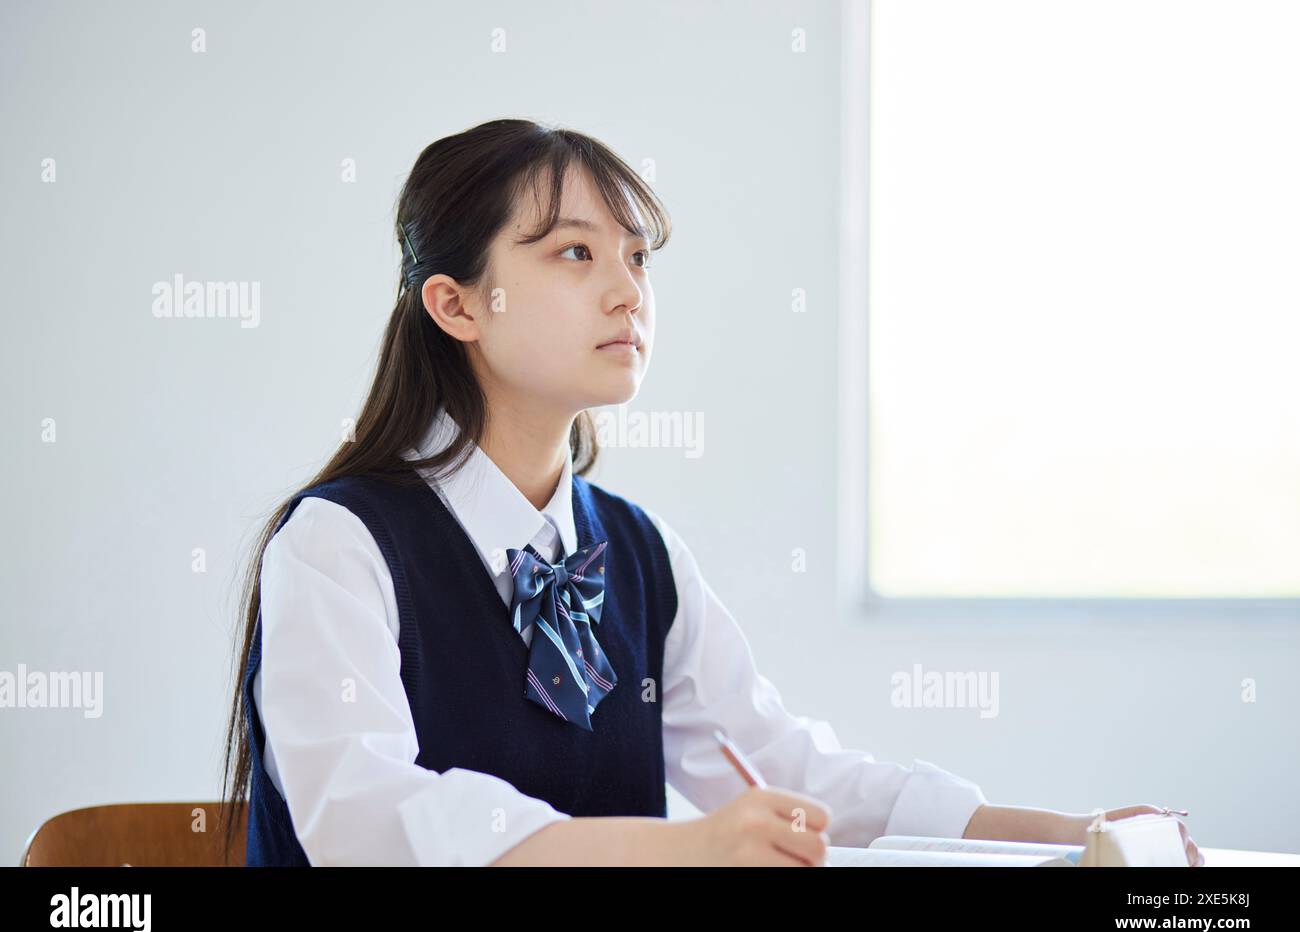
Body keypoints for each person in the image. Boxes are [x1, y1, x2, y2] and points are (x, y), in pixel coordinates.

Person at [218, 118, 1203, 867]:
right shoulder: (339, 542)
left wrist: (1073, 840)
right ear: (456, 302)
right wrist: (683, 849)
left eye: (636, 258)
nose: (627, 292)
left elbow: (791, 769)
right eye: (574, 253)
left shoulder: (639, 554)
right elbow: (362, 819)